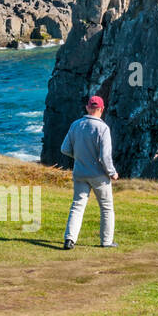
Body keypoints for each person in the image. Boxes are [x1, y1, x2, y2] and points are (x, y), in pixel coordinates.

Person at [60, 94, 119, 249]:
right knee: (106, 207)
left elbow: (64, 149)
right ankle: (106, 241)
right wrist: (112, 172)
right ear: (101, 109)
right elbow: (105, 156)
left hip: (80, 172)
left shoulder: (75, 125)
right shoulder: (103, 128)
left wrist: (79, 156)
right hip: (99, 175)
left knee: (77, 206)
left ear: (87, 107)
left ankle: (69, 239)